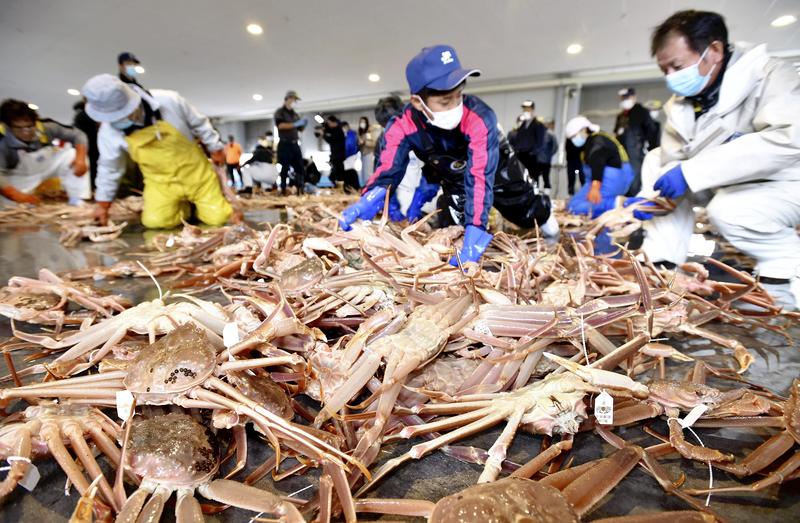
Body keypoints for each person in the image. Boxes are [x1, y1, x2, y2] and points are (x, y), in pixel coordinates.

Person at [626, 9, 800, 309]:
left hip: (784, 185)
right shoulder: (679, 107)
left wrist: (692, 172)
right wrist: (648, 199)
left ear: (715, 51)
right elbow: (670, 160)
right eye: (664, 69)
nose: (671, 77)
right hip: (727, 183)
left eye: (677, 66)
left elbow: (787, 139)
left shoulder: (770, 76)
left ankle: (785, 263)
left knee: (729, 210)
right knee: (657, 159)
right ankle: (663, 260)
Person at [340, 45, 497, 266]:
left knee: (527, 210)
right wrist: (369, 199)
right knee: (456, 230)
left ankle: (548, 228)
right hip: (453, 180)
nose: (455, 106)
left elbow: (480, 175)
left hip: (494, 169)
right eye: (445, 101)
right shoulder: (402, 126)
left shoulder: (479, 116)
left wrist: (477, 229)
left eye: (459, 96)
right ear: (417, 101)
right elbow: (387, 170)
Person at [82, 74, 236, 229]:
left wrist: (215, 147)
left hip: (197, 176)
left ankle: (199, 205)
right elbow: (110, 168)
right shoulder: (108, 133)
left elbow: (200, 124)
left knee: (219, 217)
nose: (120, 119)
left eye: (124, 113)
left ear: (133, 101)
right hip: (160, 183)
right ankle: (184, 209)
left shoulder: (169, 101)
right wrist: (103, 205)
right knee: (155, 222)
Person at [0, 99, 90, 206]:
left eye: (29, 126)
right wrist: (16, 195)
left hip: (46, 167)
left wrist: (80, 159)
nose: (26, 132)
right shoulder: (2, 140)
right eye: (19, 128)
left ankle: (77, 199)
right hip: (18, 175)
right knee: (12, 207)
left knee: (72, 154)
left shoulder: (46, 127)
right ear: (8, 126)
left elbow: (78, 135)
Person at [564, 115, 634, 217]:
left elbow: (598, 160)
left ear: (584, 130)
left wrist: (595, 187)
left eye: (574, 136)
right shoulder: (595, 140)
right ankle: (613, 203)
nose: (574, 140)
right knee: (572, 204)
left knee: (577, 208)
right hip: (605, 178)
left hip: (610, 179)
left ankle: (618, 203)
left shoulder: (596, 141)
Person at [614, 87, 659, 195]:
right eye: (622, 98)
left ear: (633, 97)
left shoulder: (641, 112)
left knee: (635, 180)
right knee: (623, 179)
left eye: (626, 97)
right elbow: (616, 133)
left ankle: (632, 200)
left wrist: (652, 150)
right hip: (622, 154)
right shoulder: (621, 116)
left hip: (635, 151)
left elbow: (652, 131)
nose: (624, 100)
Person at [274, 90, 307, 195]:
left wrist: (303, 124)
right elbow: (281, 126)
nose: (294, 102)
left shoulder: (295, 114)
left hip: (295, 143)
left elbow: (300, 129)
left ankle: (300, 189)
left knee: (299, 167)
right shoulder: (280, 112)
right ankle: (283, 189)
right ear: (288, 98)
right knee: (285, 167)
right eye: (294, 99)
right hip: (285, 144)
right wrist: (295, 124)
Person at [72, 99, 99, 190]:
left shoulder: (81, 114)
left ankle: (90, 189)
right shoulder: (84, 116)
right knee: (91, 170)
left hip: (90, 148)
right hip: (90, 148)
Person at [358, 116, 382, 188]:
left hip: (369, 153)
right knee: (364, 173)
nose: (362, 123)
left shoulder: (370, 131)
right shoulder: (361, 132)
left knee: (369, 173)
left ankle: (370, 187)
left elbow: (374, 143)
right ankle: (366, 187)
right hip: (363, 154)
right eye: (361, 122)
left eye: (363, 122)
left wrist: (364, 142)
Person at [536, 119, 558, 195]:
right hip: (536, 160)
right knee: (535, 179)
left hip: (546, 161)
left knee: (546, 178)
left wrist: (549, 155)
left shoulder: (551, 134)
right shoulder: (537, 133)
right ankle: (536, 195)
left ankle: (546, 196)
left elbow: (555, 147)